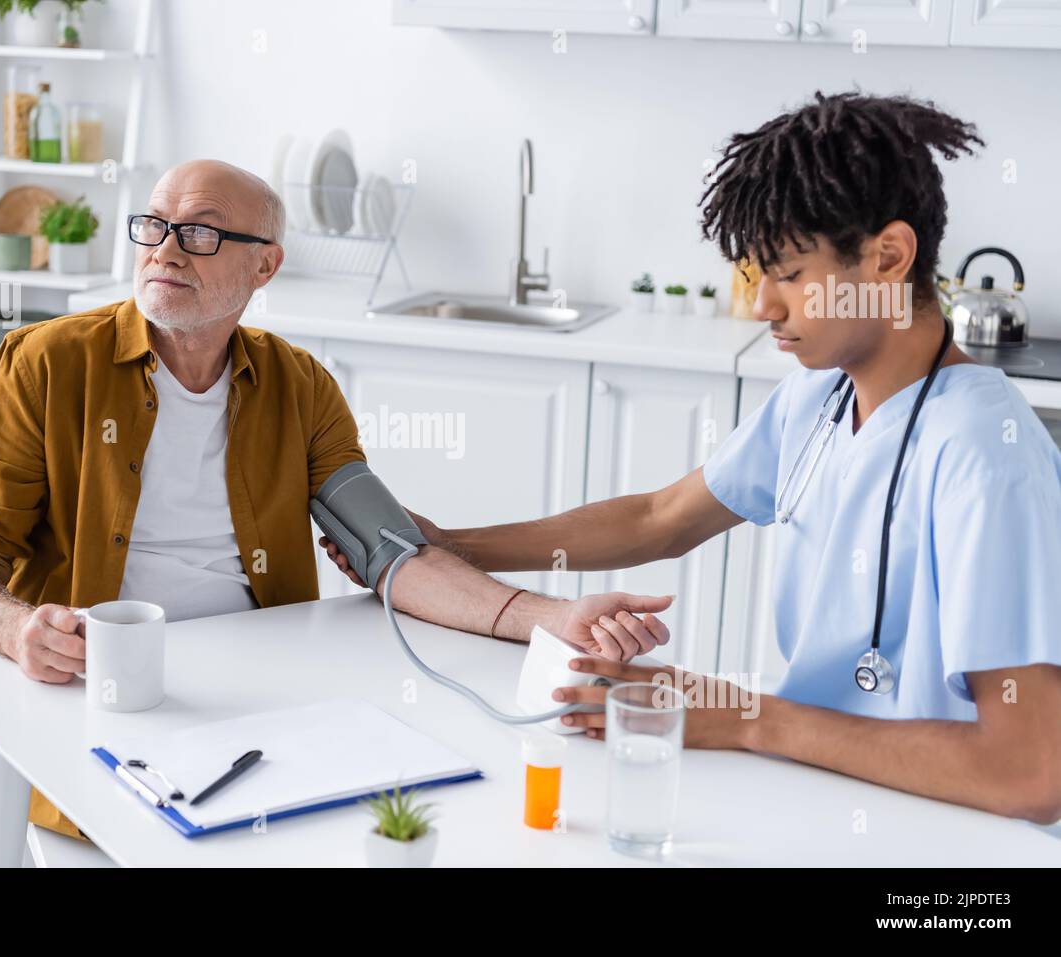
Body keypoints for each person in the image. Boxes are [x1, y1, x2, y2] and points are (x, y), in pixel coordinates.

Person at [324, 93, 1061, 824]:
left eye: (791, 275)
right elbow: (660, 518)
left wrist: (737, 715)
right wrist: (450, 544)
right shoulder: (822, 398)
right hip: (824, 793)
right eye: (758, 273)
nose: (765, 304)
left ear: (888, 256)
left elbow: (1031, 773)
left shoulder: (984, 457)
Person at [0, 159, 672, 839]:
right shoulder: (47, 364)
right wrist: (16, 628)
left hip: (262, 687)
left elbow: (393, 554)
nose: (165, 249)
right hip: (102, 690)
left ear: (265, 264)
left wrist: (554, 618)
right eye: (154, 225)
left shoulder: (300, 385)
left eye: (199, 231)